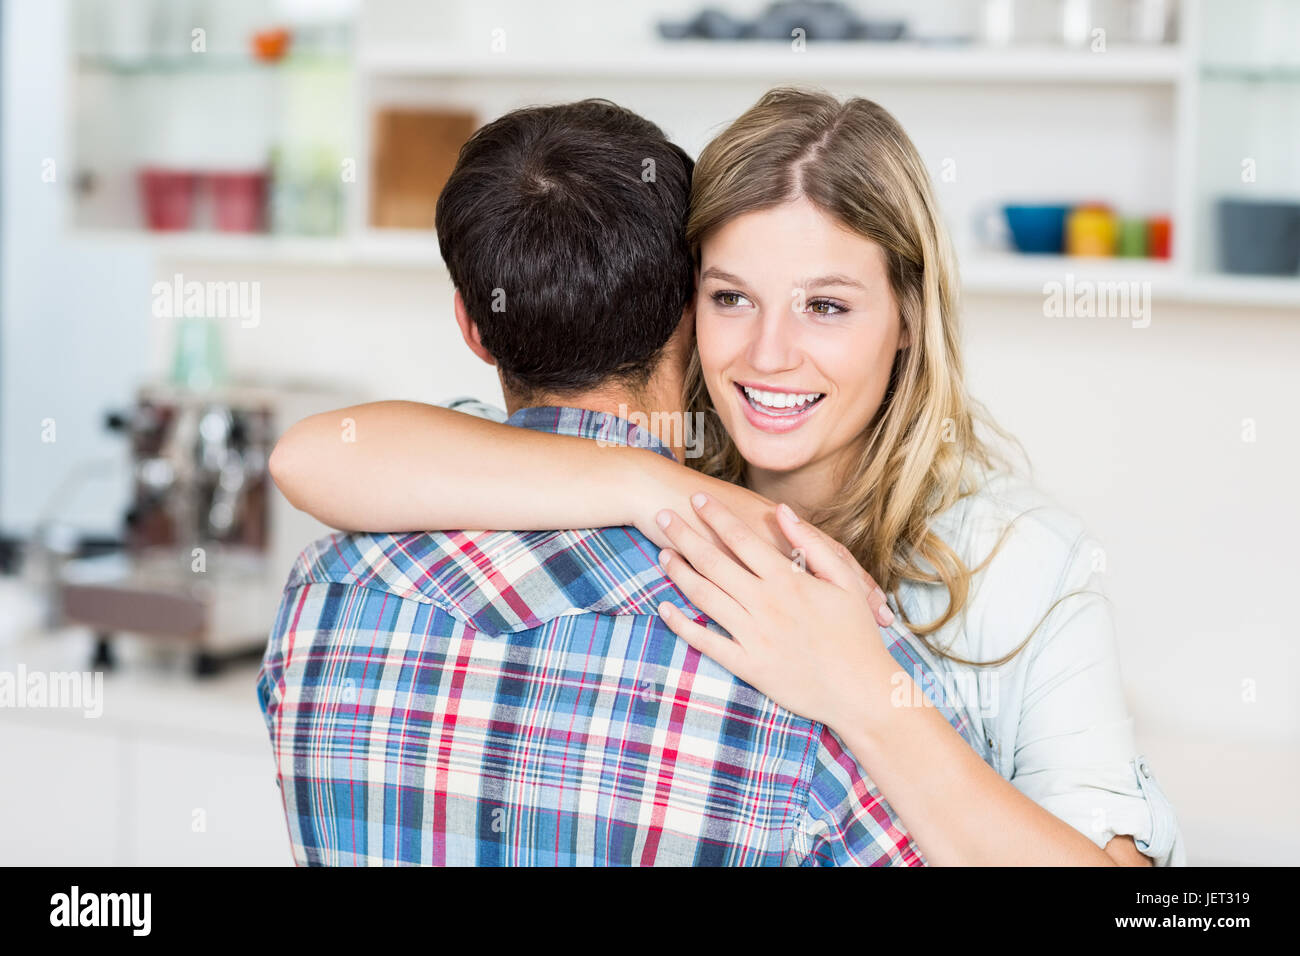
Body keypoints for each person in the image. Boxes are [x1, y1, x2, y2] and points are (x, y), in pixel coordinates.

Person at [271, 89, 1184, 866]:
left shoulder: (1023, 563)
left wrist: (863, 691)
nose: (770, 353)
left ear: (907, 317)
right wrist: (664, 490)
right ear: (679, 307)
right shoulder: (573, 474)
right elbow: (315, 457)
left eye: (825, 305)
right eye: (731, 297)